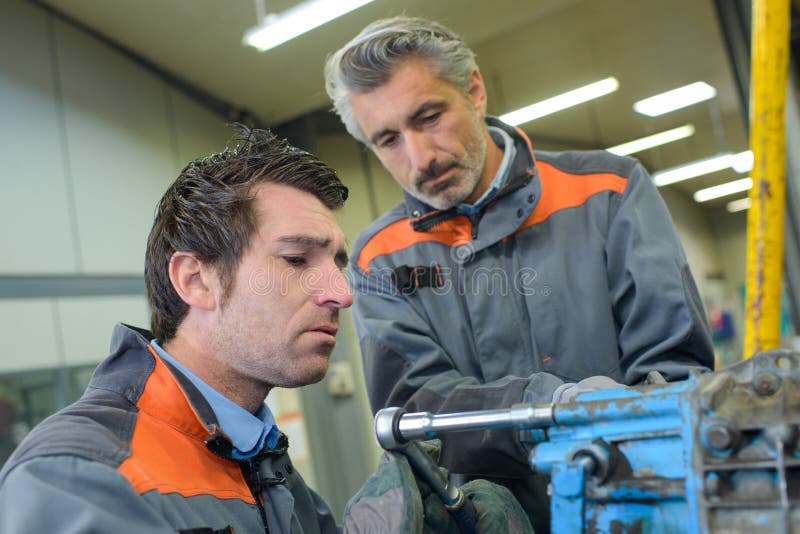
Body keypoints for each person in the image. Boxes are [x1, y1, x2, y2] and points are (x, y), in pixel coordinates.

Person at [0, 126, 532, 533]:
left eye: (338, 263)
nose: (342, 293)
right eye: (297, 259)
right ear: (196, 280)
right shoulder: (79, 474)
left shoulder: (259, 458)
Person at [325, 16, 715, 531]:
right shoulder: (380, 259)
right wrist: (551, 407)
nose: (420, 156)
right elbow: (418, 416)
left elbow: (677, 373)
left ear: (475, 91)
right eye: (388, 140)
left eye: (429, 116)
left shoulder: (610, 193)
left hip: (639, 511)